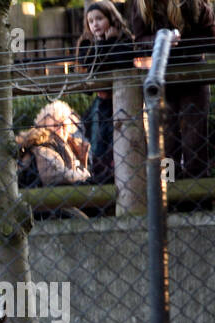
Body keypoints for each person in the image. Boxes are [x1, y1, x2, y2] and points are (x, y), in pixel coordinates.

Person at [127, 0, 215, 179]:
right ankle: (168, 190)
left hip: (193, 77)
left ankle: (197, 192)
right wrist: (161, 39)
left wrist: (181, 41)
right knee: (166, 143)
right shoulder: (142, 5)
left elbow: (212, 37)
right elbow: (139, 40)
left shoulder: (194, 4)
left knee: (194, 139)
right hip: (161, 79)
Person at [76, 1, 135, 185]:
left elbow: (123, 61)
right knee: (99, 142)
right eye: (91, 21)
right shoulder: (87, 42)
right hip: (101, 102)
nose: (95, 24)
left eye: (100, 19)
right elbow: (92, 64)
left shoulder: (124, 38)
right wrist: (107, 44)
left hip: (124, 100)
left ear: (111, 18)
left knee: (122, 143)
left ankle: (124, 179)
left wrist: (112, 43)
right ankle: (100, 181)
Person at [17, 100, 92, 187]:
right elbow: (57, 176)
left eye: (63, 125)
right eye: (55, 125)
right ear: (43, 125)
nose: (60, 129)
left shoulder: (73, 145)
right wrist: (83, 175)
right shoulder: (42, 147)